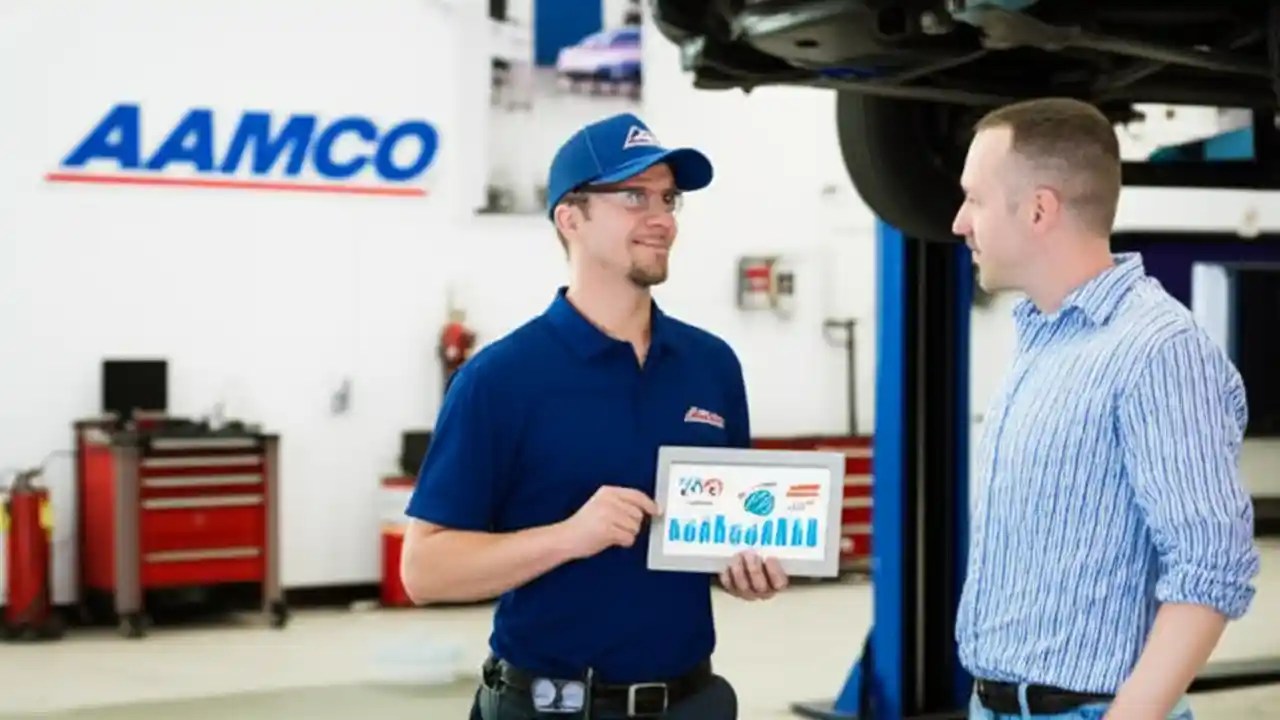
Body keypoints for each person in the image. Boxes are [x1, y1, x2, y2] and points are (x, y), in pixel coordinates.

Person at [400, 112, 790, 720]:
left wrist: (742, 569)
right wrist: (569, 537)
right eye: (634, 196)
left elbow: (716, 536)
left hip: (691, 703)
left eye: (669, 197)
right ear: (570, 218)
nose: (661, 217)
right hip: (551, 707)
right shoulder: (499, 379)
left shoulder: (710, 366)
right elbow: (424, 570)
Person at [951, 96, 1262, 720]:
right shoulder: (1046, 340)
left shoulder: (1156, 350)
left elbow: (1211, 564)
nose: (960, 222)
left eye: (974, 199)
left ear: (1039, 209)